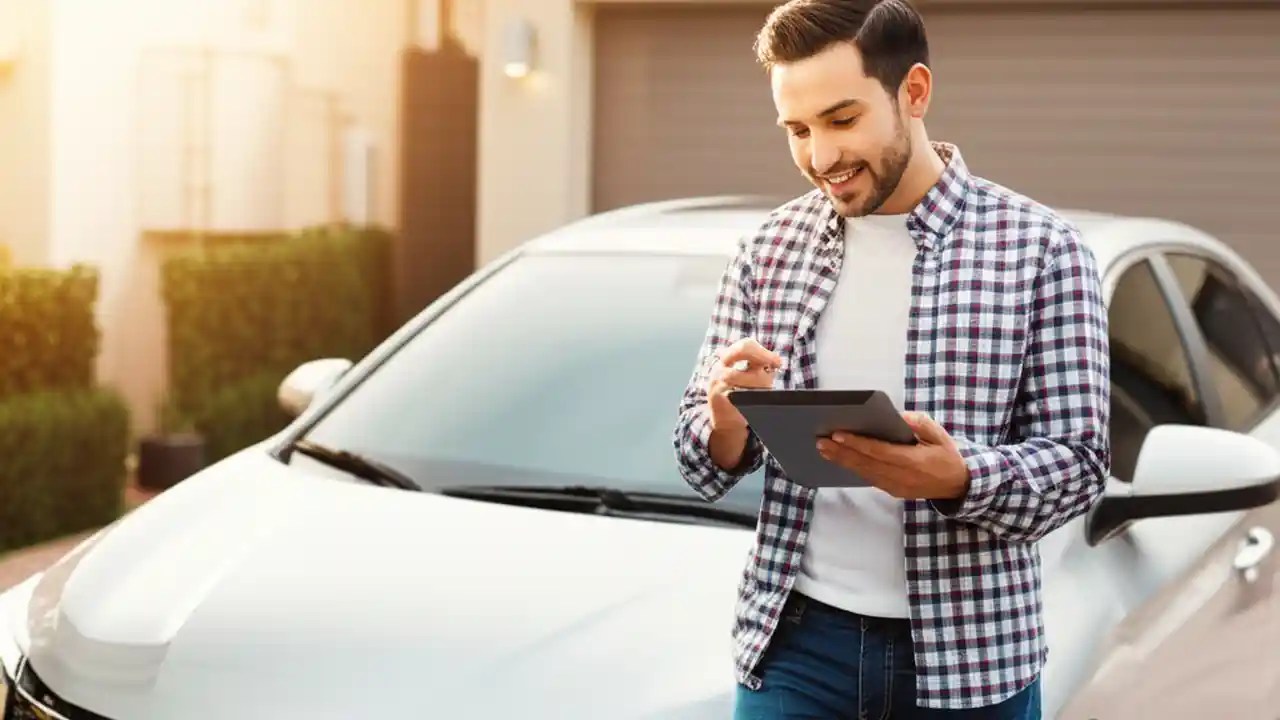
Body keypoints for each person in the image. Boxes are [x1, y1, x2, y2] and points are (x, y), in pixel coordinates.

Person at [671, 1, 1110, 718]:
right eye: (798, 129)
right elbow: (699, 457)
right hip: (794, 648)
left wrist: (960, 477)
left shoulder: (1042, 251)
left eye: (842, 121)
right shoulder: (767, 250)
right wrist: (725, 420)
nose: (820, 157)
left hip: (972, 661)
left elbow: (1081, 464)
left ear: (914, 92)